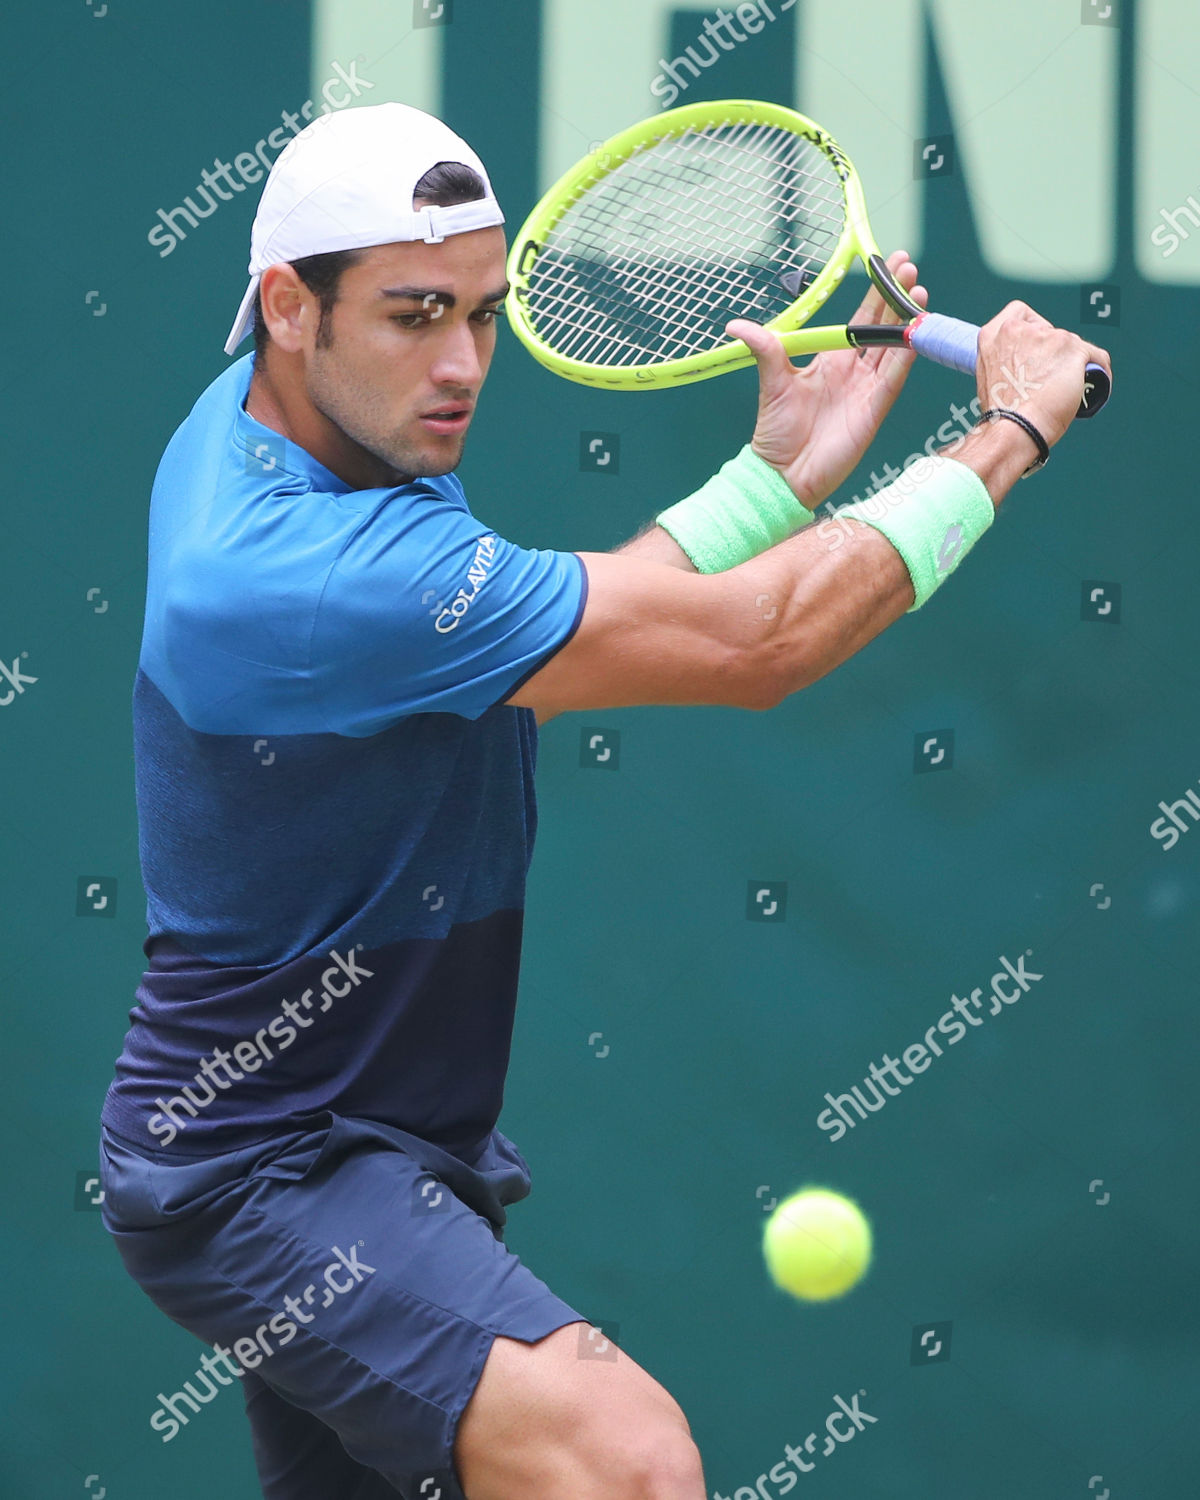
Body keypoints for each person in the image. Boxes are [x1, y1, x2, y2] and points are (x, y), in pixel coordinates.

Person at [97, 101, 1111, 1500]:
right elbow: (761, 648)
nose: (460, 365)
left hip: (373, 1144)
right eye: (413, 315)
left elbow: (580, 629)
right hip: (267, 1169)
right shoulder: (301, 571)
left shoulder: (302, 432)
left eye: (482, 312)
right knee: (626, 1463)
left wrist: (785, 478)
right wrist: (1009, 431)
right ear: (287, 305)